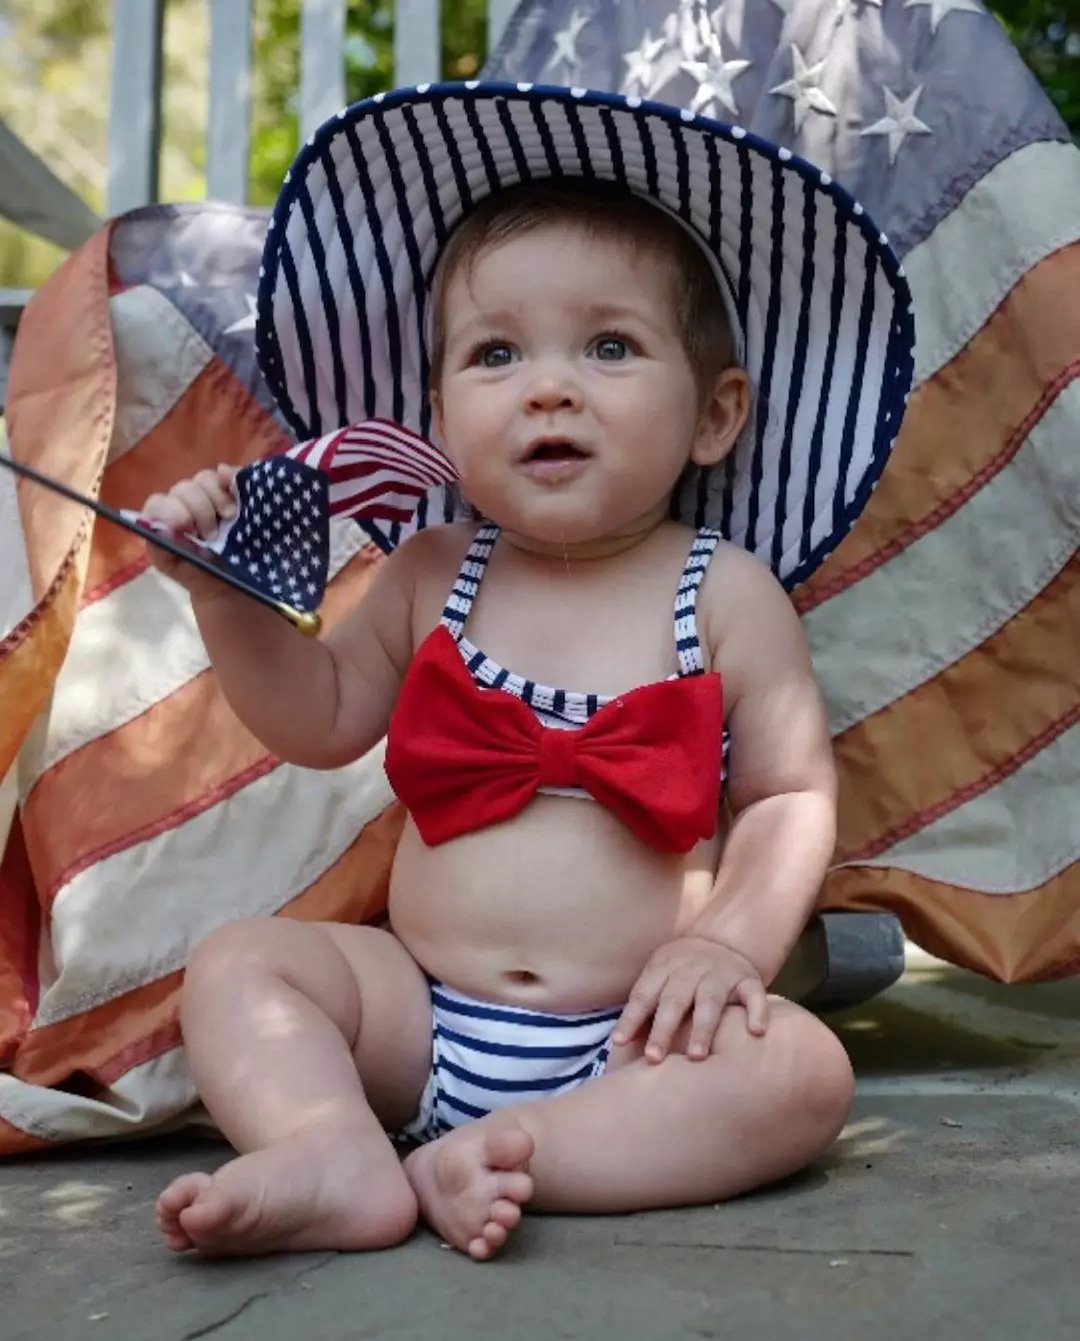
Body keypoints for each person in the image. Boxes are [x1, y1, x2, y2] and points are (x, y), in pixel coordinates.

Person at [145, 83, 913, 1260]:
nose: (549, 386)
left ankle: (527, 1156)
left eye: (609, 346)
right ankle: (334, 1150)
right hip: (422, 1017)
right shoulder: (429, 571)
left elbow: (787, 798)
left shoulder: (723, 592)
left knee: (803, 1074)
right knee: (240, 963)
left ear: (716, 415)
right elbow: (318, 715)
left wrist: (726, 946)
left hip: (635, 1039)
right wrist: (223, 598)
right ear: (443, 413)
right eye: (497, 353)